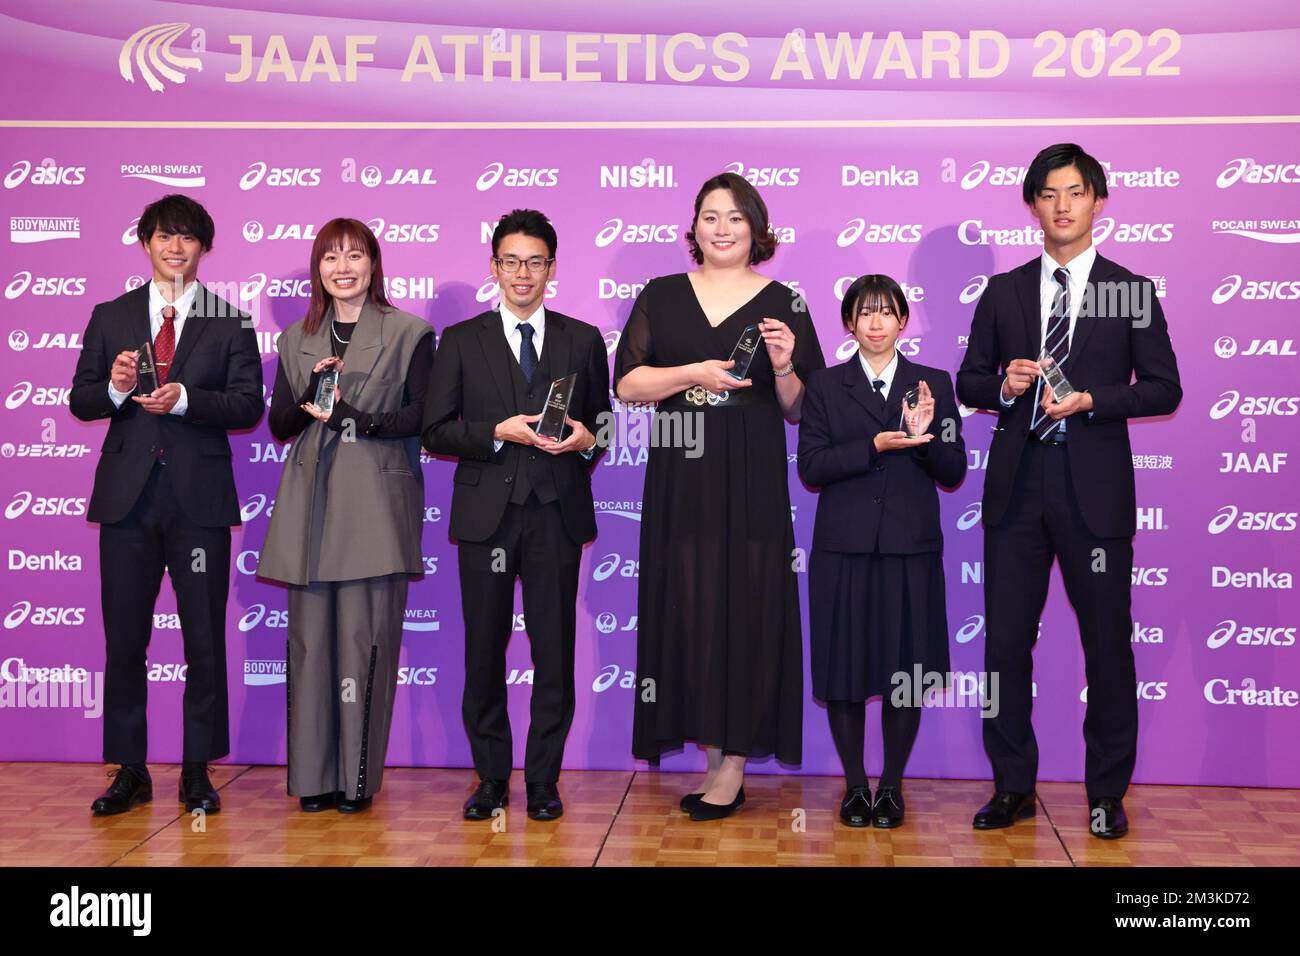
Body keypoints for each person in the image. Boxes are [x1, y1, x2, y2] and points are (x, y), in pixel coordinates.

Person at [956, 143, 1182, 839]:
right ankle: (1013, 786)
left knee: (1108, 646)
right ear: (1032, 205)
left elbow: (1166, 388)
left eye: (1075, 192)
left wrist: (1091, 399)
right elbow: (968, 381)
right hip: (1018, 489)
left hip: (1095, 492)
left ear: (1098, 201)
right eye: (1048, 194)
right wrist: (1005, 387)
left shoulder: (1132, 289)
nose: (1062, 206)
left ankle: (1106, 793)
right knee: (1004, 649)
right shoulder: (1004, 292)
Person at [614, 171, 824, 821]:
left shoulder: (782, 301)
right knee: (692, 614)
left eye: (735, 217)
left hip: (751, 483)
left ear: (756, 230)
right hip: (681, 481)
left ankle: (731, 770)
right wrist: (694, 373)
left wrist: (785, 366)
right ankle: (714, 762)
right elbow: (627, 384)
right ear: (694, 227)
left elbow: (801, 411)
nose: (722, 227)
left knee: (748, 614)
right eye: (710, 216)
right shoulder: (662, 295)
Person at [70, 194, 263, 815]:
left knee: (203, 639)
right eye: (163, 236)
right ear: (145, 242)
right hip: (127, 502)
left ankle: (196, 770)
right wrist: (116, 388)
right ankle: (129, 769)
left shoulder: (230, 322)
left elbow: (247, 406)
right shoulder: (111, 315)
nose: (175, 247)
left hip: (198, 503)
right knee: (125, 639)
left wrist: (185, 399)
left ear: (204, 248)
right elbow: (81, 400)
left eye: (187, 238)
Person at [422, 209, 611, 822]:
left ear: (552, 268)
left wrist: (585, 439)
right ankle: (492, 778)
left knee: (553, 651)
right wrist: (493, 432)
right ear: (494, 266)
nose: (523, 273)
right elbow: (434, 430)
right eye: (511, 261)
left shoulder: (582, 339)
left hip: (555, 513)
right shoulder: (460, 338)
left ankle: (545, 780)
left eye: (535, 261)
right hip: (487, 516)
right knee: (485, 649)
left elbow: (602, 427)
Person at [257, 218, 433, 813]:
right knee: (308, 647)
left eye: (354, 255)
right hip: (309, 507)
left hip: (374, 510)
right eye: (331, 257)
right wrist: (311, 389)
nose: (343, 267)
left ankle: (355, 781)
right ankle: (312, 779)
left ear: (373, 264)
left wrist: (353, 414)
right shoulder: (294, 339)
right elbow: (280, 425)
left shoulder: (410, 332)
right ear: (319, 269)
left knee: (365, 645)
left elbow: (420, 419)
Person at [798, 275, 966, 828]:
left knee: (906, 670)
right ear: (849, 322)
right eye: (864, 313)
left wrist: (926, 440)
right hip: (842, 548)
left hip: (908, 548)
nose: (875, 323)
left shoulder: (930, 382)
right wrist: (872, 445)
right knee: (843, 668)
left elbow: (954, 471)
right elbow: (813, 468)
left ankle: (891, 786)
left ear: (903, 321)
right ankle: (854, 787)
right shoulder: (824, 385)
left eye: (886, 312)